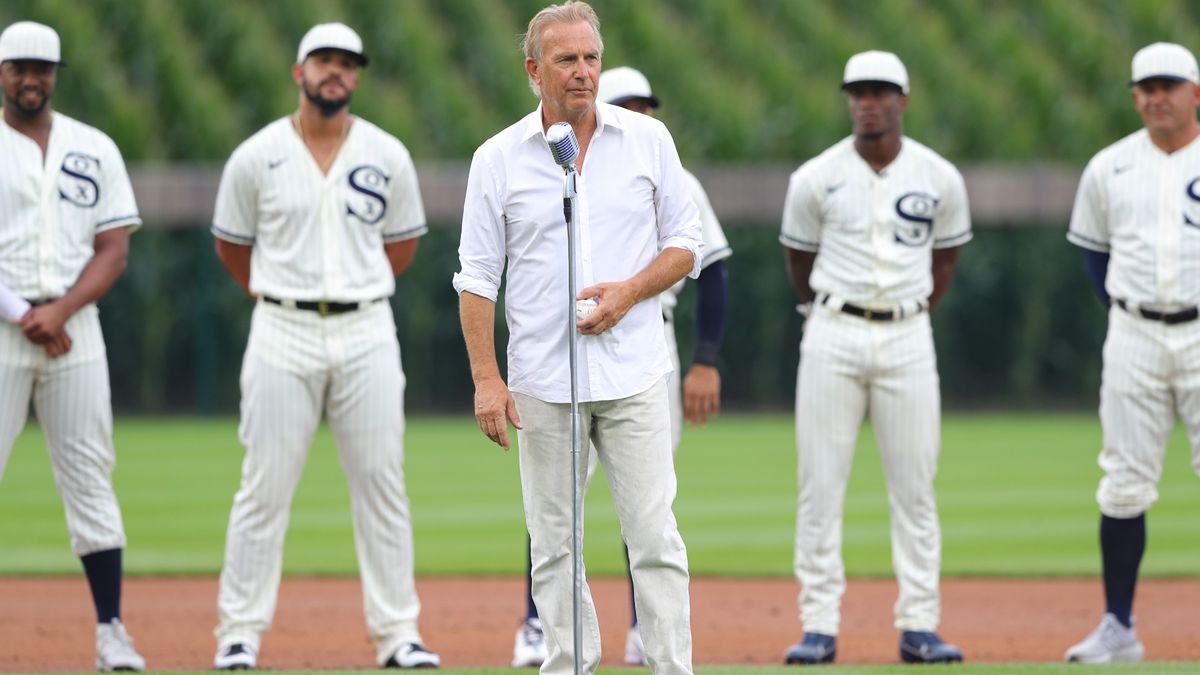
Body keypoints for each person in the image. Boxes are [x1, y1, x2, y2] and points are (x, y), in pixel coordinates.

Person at [454, 2, 702, 673]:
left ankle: (672, 666)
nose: (583, 72)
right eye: (566, 60)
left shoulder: (648, 141)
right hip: (542, 381)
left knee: (655, 537)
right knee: (555, 543)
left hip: (636, 374)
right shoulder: (497, 159)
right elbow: (476, 279)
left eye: (591, 57)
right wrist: (485, 378)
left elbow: (686, 243)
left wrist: (628, 292)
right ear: (534, 70)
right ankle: (570, 666)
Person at [210, 23, 438, 670]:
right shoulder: (256, 155)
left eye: (346, 63)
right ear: (298, 71)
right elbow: (232, 245)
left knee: (382, 482)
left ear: (357, 76)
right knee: (264, 484)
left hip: (367, 325)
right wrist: (275, 292)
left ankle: (399, 634)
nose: (335, 72)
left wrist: (354, 289)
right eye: (323, 61)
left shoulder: (386, 153)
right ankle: (239, 632)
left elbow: (402, 246)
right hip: (281, 326)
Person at [508, 65, 732, 669]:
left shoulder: (666, 164)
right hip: (557, 357)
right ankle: (538, 627)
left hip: (646, 348)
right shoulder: (536, 162)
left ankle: (644, 635)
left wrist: (704, 361)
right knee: (553, 518)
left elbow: (708, 265)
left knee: (651, 516)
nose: (640, 112)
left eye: (646, 104)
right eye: (629, 102)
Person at [779, 51, 969, 665]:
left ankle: (919, 624)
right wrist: (828, 310)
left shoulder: (939, 177)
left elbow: (945, 262)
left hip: (909, 336)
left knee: (915, 487)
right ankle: (818, 625)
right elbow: (799, 264)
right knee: (820, 485)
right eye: (857, 91)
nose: (867, 101)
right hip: (832, 329)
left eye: (880, 91)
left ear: (903, 100)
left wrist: (911, 310)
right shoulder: (816, 176)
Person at [0, 20, 145, 672]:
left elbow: (113, 248)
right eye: (18, 68)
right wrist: (23, 310)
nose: (31, 79)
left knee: (91, 477)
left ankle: (111, 629)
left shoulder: (94, 147)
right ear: (2, 72)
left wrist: (58, 308)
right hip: (4, 327)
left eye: (42, 69)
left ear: (56, 74)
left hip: (74, 329)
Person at [1064, 41, 1200, 664]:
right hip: (1134, 333)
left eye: (1168, 85)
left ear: (1195, 93)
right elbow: (1094, 254)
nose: (1155, 96)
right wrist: (1129, 308)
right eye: (1145, 87)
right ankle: (1118, 625)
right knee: (1123, 484)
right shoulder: (1109, 167)